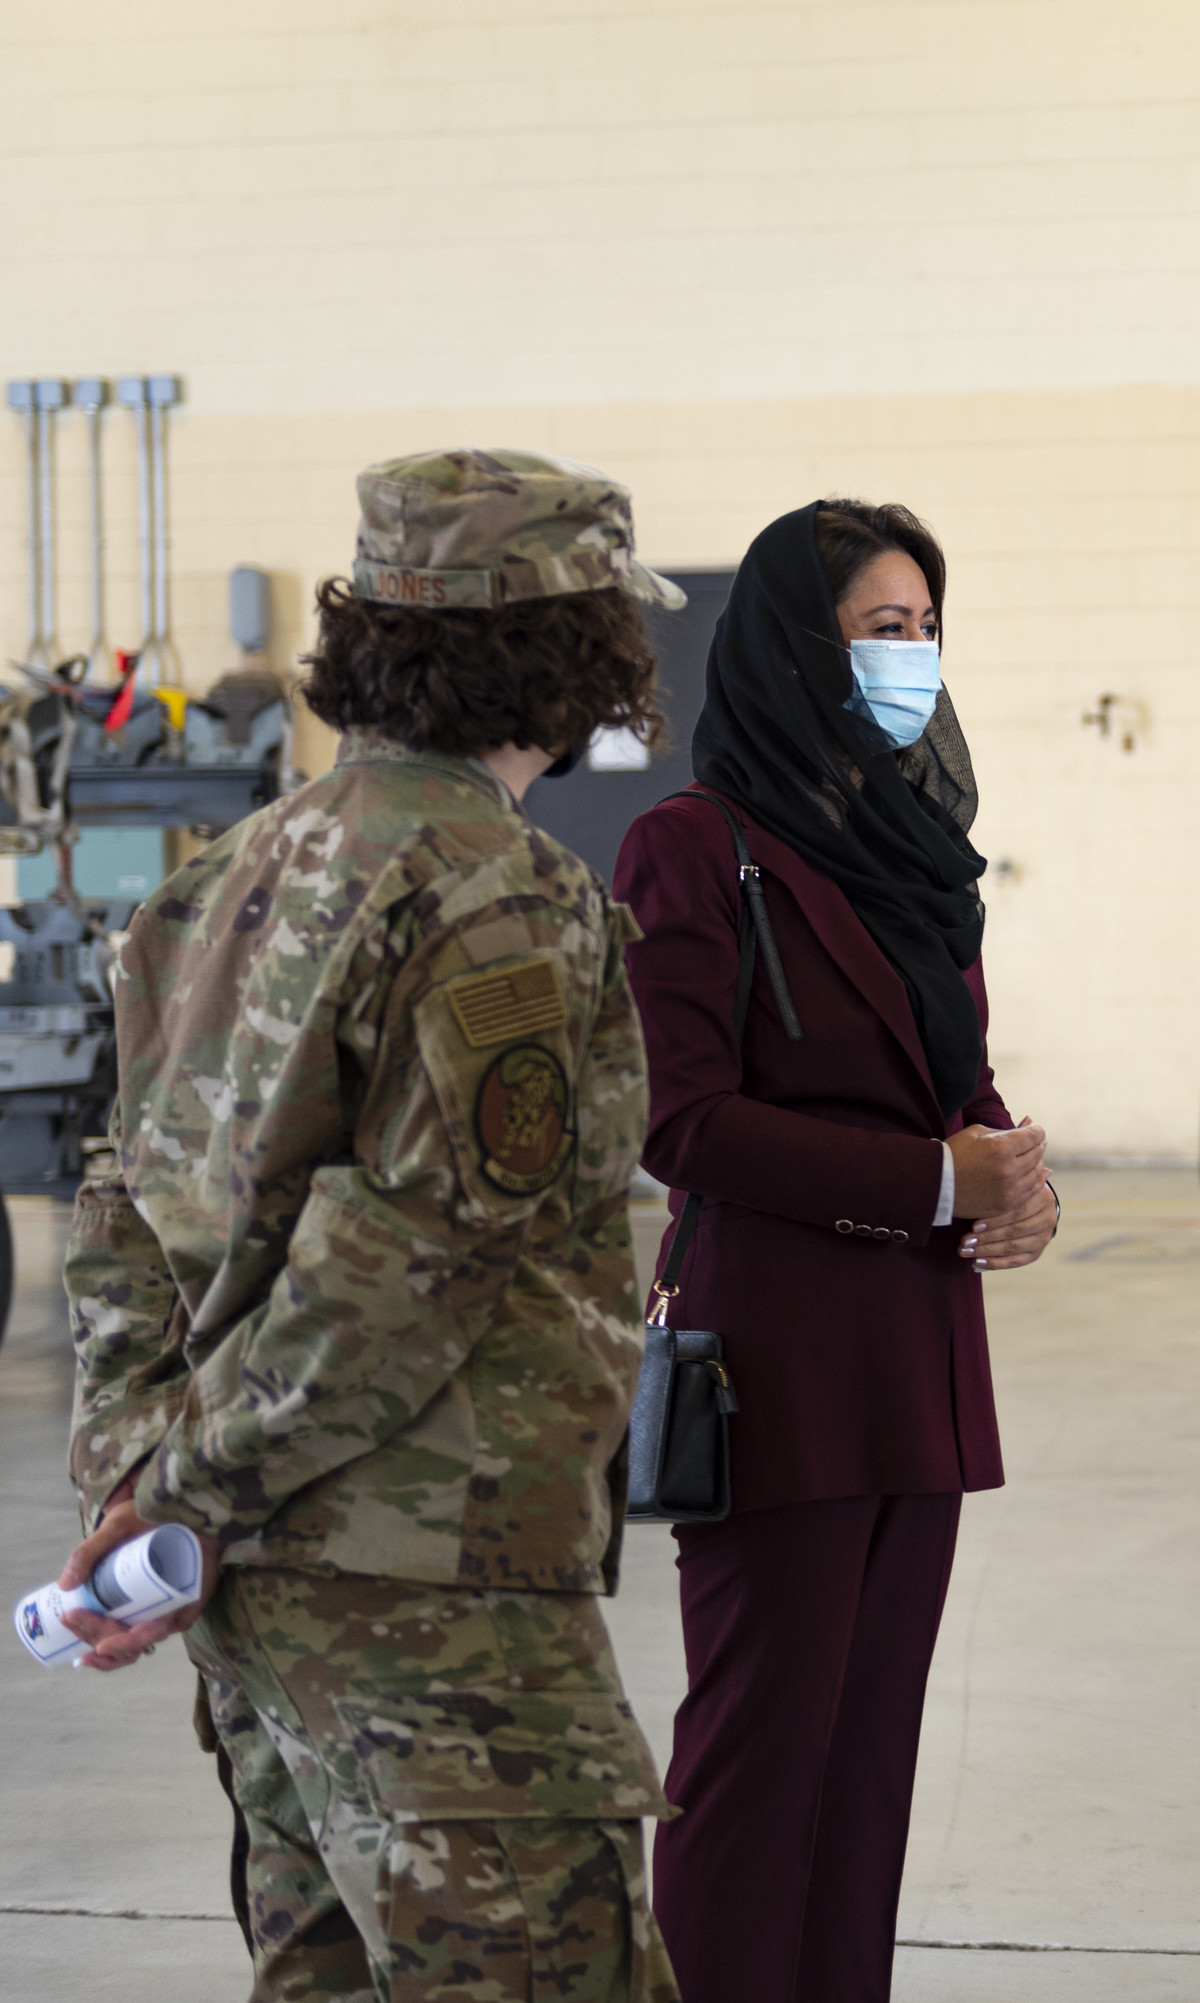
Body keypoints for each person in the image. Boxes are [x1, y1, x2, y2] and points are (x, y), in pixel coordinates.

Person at [59, 447, 685, 2000]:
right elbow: (411, 1260)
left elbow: (119, 1212)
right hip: (436, 1611)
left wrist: (145, 1480)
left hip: (259, 1614)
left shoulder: (211, 892)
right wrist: (180, 1494)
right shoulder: (503, 897)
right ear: (570, 645)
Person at [614, 497, 1056, 2003]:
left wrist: (1009, 1179)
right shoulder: (691, 849)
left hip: (917, 1365)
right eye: (881, 629)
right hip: (773, 1365)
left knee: (866, 1771)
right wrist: (934, 1183)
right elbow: (682, 1122)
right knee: (758, 1763)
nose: (911, 657)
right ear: (802, 647)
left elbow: (953, 1081)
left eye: (926, 629)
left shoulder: (917, 848)